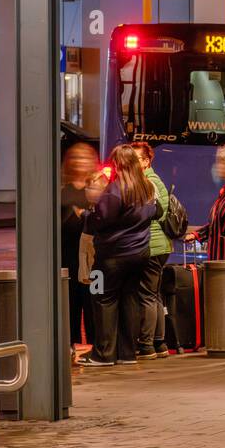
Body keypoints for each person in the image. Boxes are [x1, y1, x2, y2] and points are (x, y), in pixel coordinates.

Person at [76, 144, 160, 367]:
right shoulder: (147, 188)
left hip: (111, 257)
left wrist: (85, 214)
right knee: (130, 299)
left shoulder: (115, 190)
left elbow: (99, 221)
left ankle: (103, 354)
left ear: (117, 164)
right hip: (139, 255)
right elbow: (157, 212)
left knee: (101, 297)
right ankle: (127, 353)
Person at [131, 141, 172, 361]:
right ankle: (159, 342)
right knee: (154, 295)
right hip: (159, 244)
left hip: (151, 244)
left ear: (146, 161)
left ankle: (146, 345)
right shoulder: (154, 180)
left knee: (146, 295)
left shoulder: (148, 182)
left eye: (136, 159)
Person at [60, 142, 101, 350]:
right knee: (70, 301)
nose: (80, 162)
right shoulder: (61, 192)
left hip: (94, 259)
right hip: (68, 256)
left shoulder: (96, 189)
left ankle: (98, 344)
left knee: (95, 299)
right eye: (75, 158)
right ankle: (69, 343)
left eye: (84, 158)